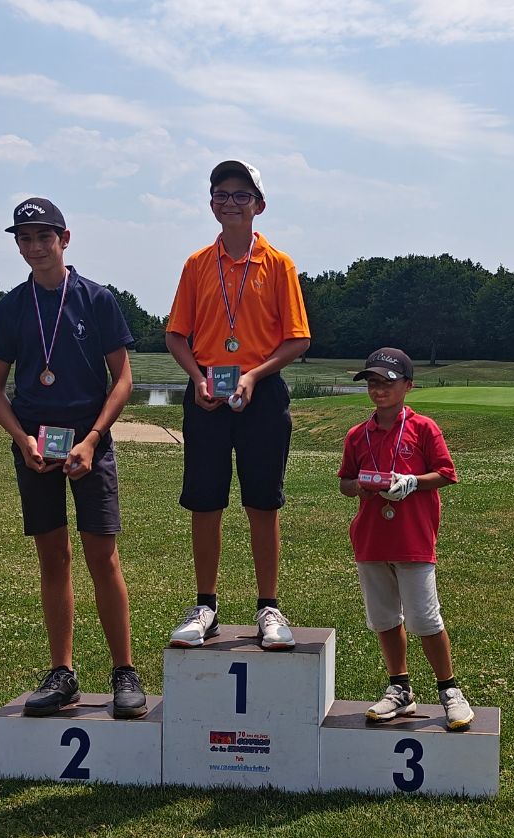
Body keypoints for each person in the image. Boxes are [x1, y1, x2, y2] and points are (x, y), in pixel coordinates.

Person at [0, 196, 146, 718]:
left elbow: (123, 380)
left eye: (43, 237)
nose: (34, 247)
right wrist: (22, 440)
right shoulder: (10, 307)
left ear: (65, 239)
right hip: (34, 445)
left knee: (102, 555)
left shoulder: (96, 299)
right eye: (24, 239)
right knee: (53, 558)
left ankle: (124, 671)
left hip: (87, 441)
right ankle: (63, 673)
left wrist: (94, 438)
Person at [163, 160, 311, 650]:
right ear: (211, 204)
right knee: (205, 503)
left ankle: (268, 607)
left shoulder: (280, 265)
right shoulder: (195, 264)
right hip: (206, 391)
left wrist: (251, 375)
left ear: (258, 205)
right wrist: (197, 378)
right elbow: (176, 335)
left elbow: (297, 340)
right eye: (221, 194)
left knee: (262, 503)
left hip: (261, 393)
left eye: (240, 195)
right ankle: (205, 604)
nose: (229, 202)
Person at [335, 348, 475, 730]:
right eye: (373, 383)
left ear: (408, 386)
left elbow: (446, 473)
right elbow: (345, 481)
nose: (379, 391)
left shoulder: (424, 428)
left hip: (413, 538)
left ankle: (449, 690)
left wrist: (412, 483)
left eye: (387, 383)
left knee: (425, 618)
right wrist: (361, 488)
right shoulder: (357, 435)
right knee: (383, 618)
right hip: (371, 538)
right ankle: (400, 689)